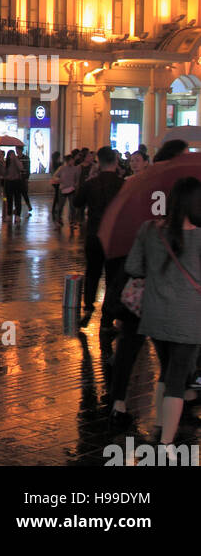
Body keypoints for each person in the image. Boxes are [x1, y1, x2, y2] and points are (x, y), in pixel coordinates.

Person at [123, 176, 201, 454]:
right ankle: (167, 442)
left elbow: (133, 266)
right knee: (178, 377)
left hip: (155, 315)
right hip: (190, 318)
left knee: (166, 371)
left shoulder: (149, 230)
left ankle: (159, 425)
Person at [74, 146, 125, 329]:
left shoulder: (91, 183)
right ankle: (107, 317)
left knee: (93, 272)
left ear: (99, 163)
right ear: (116, 162)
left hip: (94, 234)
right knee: (113, 276)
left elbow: (77, 202)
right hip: (115, 236)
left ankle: (88, 307)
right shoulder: (123, 184)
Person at [58, 152, 81, 230]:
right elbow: (56, 176)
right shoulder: (62, 168)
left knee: (72, 206)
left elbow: (77, 178)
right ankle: (59, 219)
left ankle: (72, 220)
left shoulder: (75, 169)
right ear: (68, 161)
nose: (73, 161)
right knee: (61, 205)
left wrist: (76, 185)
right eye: (71, 160)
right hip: (63, 189)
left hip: (71, 188)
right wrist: (59, 180)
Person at [3, 149, 23, 219]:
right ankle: (9, 214)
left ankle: (18, 215)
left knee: (17, 199)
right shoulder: (7, 163)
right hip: (9, 182)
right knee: (9, 199)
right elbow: (4, 172)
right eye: (11, 154)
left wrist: (15, 160)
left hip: (17, 182)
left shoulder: (17, 161)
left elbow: (21, 168)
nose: (12, 156)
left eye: (13, 154)